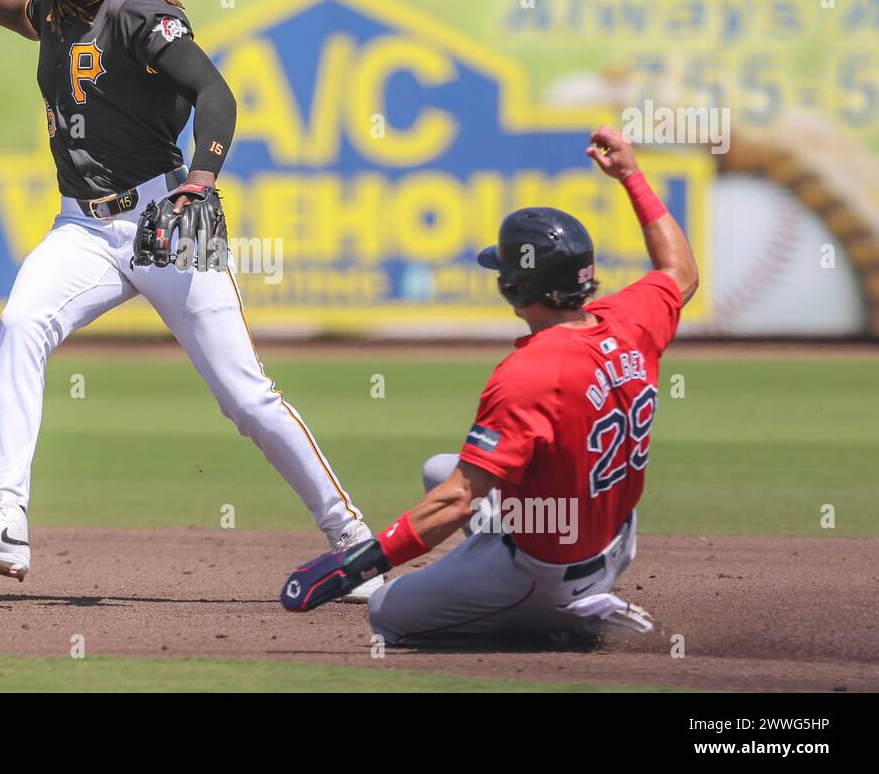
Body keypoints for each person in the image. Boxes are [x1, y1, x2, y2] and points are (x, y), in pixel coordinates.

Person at [0, 0, 381, 600]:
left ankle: (356, 546)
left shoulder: (137, 13)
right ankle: (9, 519)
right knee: (21, 322)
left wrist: (203, 178)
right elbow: (12, 7)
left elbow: (217, 93)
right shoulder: (57, 12)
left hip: (165, 216)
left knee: (245, 397)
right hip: (84, 226)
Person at [280, 125, 700, 641]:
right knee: (440, 469)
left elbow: (458, 501)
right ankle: (521, 578)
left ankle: (563, 621)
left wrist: (353, 567)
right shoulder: (631, 319)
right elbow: (680, 271)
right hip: (609, 533)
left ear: (516, 289)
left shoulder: (530, 373)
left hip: (551, 574)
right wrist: (632, 175)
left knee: (386, 611)